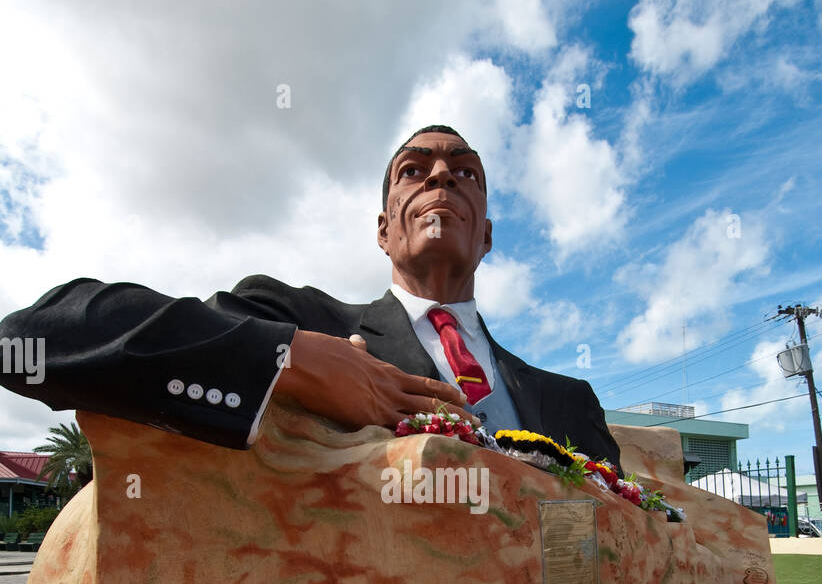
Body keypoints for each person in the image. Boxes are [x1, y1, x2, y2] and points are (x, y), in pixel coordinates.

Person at [0, 124, 620, 468]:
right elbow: (30, 339)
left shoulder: (568, 402)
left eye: (465, 172)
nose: (440, 176)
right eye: (415, 169)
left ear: (486, 233)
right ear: (384, 229)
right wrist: (291, 361)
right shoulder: (299, 321)